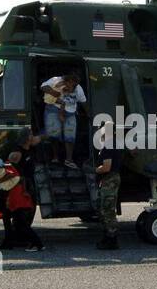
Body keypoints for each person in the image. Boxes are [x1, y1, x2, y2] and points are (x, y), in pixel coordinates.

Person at [0, 150, 43, 251]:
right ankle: (7, 243)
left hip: (14, 199)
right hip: (14, 199)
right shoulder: (18, 167)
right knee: (9, 221)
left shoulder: (8, 166)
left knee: (19, 223)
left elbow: (9, 176)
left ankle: (37, 244)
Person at [40, 72, 86, 168]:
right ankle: (55, 157)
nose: (73, 86)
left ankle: (69, 160)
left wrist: (89, 114)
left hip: (70, 111)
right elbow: (43, 87)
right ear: (67, 80)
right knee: (54, 134)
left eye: (75, 84)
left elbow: (83, 101)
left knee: (70, 135)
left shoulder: (78, 88)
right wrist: (54, 92)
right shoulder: (56, 80)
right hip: (53, 108)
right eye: (72, 83)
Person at [93, 118, 122, 250]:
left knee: (108, 210)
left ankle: (112, 240)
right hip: (111, 179)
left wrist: (95, 170)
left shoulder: (109, 145)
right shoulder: (114, 143)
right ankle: (108, 237)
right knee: (105, 209)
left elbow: (106, 167)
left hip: (109, 179)